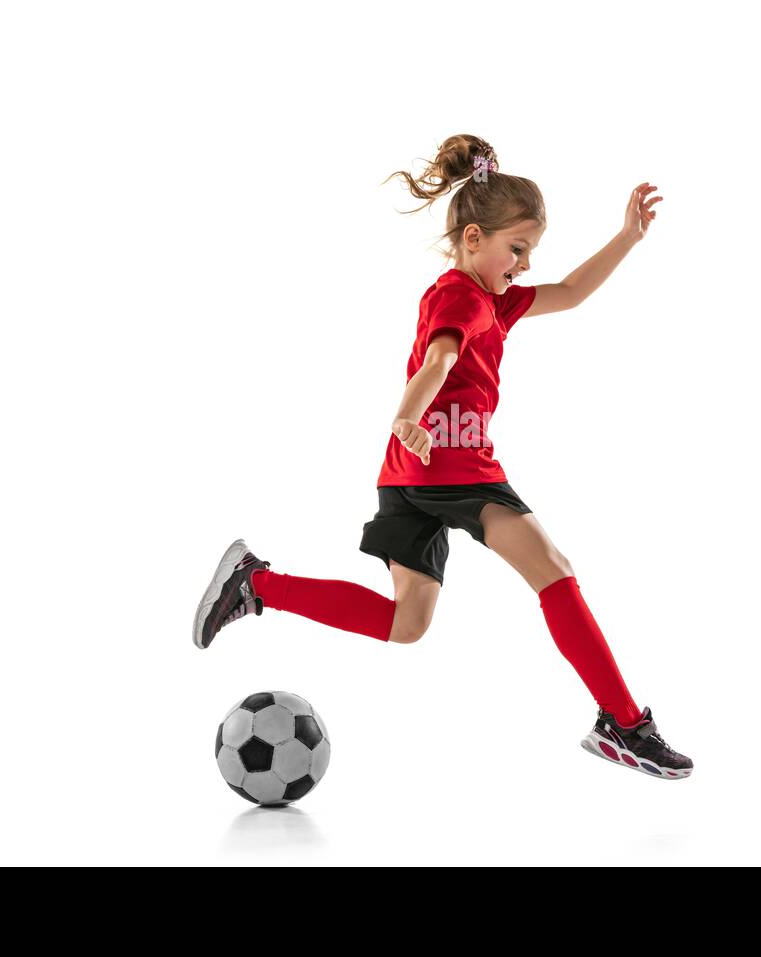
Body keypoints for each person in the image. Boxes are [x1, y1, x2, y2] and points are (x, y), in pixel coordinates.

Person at [193, 134, 691, 780]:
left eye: (529, 252)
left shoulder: (497, 299)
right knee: (554, 569)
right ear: (473, 238)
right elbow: (440, 358)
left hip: (413, 476)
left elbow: (569, 289)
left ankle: (255, 583)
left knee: (408, 621)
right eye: (517, 249)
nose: (522, 264)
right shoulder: (458, 295)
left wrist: (627, 237)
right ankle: (624, 723)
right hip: (451, 470)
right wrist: (407, 415)